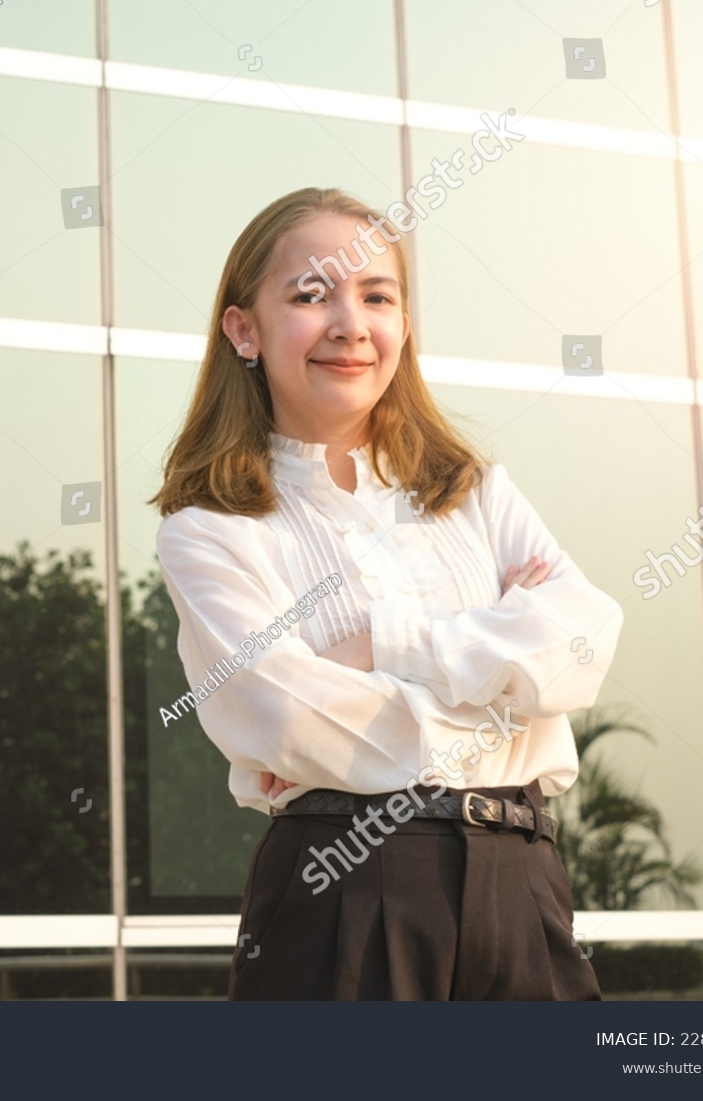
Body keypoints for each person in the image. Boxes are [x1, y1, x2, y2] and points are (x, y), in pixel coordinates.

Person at [151, 187, 622, 1000]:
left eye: (377, 296)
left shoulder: (471, 489)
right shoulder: (211, 528)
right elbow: (288, 718)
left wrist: (386, 648)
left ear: (403, 323)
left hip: (525, 886)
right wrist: (503, 677)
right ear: (243, 329)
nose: (350, 323)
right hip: (345, 887)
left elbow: (584, 643)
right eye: (310, 295)